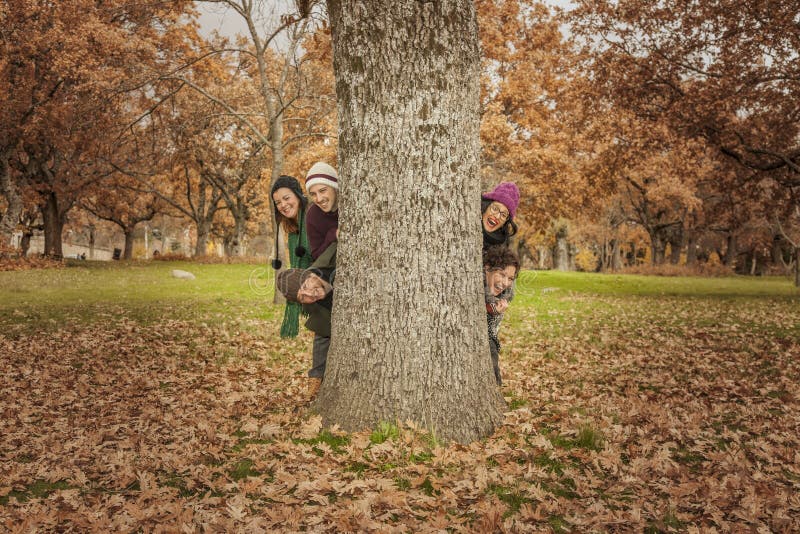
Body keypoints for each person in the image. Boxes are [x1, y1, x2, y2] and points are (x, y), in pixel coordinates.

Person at [270, 175, 311, 337]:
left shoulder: (312, 217)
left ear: (298, 195)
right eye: (278, 203)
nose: (283, 205)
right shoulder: (293, 229)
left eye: (286, 198)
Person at [484, 245, 520, 386]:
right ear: (487, 269)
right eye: (502, 274)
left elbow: (491, 331)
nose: (505, 283)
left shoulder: (504, 297)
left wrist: (494, 312)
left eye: (510, 278)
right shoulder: (474, 287)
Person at [304, 162, 339, 260]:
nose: (318, 199)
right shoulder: (312, 216)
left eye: (323, 190)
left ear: (335, 188)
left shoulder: (351, 206)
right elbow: (316, 256)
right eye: (313, 194)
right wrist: (333, 234)